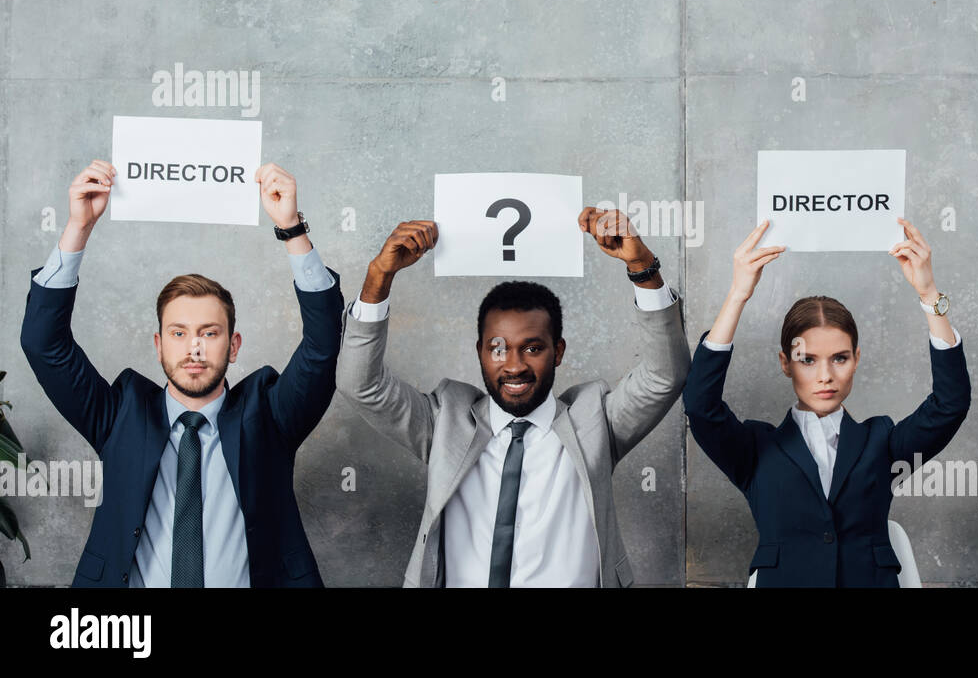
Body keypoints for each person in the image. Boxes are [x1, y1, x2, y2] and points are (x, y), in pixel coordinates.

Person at [19, 160, 344, 587]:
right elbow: (45, 344)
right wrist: (79, 227)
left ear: (234, 346)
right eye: (179, 333)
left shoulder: (271, 416)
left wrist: (291, 229)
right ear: (158, 345)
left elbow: (323, 345)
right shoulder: (119, 416)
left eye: (210, 333)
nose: (194, 347)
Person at [334, 208, 690, 587]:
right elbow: (361, 384)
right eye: (498, 348)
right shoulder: (444, 423)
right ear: (480, 352)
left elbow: (664, 375)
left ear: (559, 351)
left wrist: (643, 266)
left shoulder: (594, 423)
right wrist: (379, 278)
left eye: (533, 348)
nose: (514, 365)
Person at [683, 218, 971, 587]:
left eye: (839, 358)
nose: (825, 375)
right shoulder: (755, 448)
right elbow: (700, 405)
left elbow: (951, 404)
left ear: (856, 359)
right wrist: (738, 295)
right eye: (807, 359)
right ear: (785, 363)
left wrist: (930, 294)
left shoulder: (881, 442)